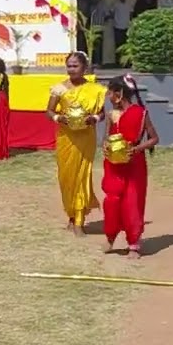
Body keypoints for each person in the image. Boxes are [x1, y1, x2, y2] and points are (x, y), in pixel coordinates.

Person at [46, 51, 107, 234]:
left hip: (86, 138)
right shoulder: (59, 89)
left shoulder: (95, 90)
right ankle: (71, 216)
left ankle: (79, 220)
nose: (71, 69)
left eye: (75, 66)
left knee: (82, 176)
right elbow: (48, 111)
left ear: (84, 68)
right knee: (66, 178)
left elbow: (102, 113)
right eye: (69, 66)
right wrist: (59, 118)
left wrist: (94, 118)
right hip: (66, 138)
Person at [101, 75, 159, 258]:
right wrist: (105, 146)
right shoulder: (111, 114)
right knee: (112, 201)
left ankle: (134, 243)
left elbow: (154, 138)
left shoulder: (141, 113)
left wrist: (136, 148)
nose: (108, 96)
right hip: (113, 164)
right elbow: (105, 137)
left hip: (134, 164)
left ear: (119, 93)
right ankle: (110, 237)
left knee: (132, 202)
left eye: (110, 92)